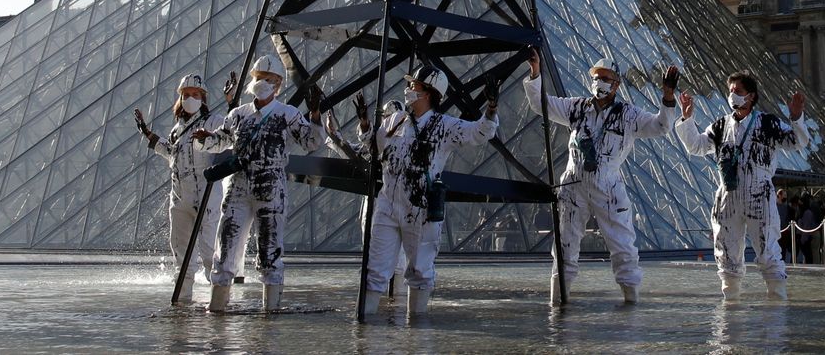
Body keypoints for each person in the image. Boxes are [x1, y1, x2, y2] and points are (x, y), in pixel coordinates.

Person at [524, 49, 678, 304]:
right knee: (564, 247)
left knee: (623, 246)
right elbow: (541, 104)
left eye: (605, 78)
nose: (599, 82)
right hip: (573, 185)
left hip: (608, 187)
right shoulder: (576, 107)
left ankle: (631, 304)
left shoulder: (629, 115)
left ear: (616, 84)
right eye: (596, 77)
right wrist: (536, 72)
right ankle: (558, 304)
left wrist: (668, 97)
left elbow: (662, 127)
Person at [357, 63, 498, 318]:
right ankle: (366, 331)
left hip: (420, 210)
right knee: (374, 269)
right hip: (388, 203)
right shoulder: (394, 120)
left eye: (414, 86)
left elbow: (479, 133)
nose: (409, 90)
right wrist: (365, 124)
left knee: (420, 272)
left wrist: (490, 109)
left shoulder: (445, 125)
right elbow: (373, 146)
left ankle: (417, 334)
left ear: (429, 93)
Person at [195, 38, 325, 314]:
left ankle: (270, 314)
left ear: (278, 84)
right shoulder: (239, 114)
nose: (261, 81)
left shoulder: (288, 114)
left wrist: (315, 115)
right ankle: (217, 310)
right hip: (238, 188)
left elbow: (312, 142)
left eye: (267, 78)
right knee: (226, 247)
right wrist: (206, 138)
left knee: (270, 251)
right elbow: (222, 140)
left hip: (271, 188)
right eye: (258, 77)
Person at [675, 71, 809, 301]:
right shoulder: (720, 125)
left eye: (738, 91)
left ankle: (776, 305)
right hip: (727, 195)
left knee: (767, 250)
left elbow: (797, 142)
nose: (732, 95)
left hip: (759, 193)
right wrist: (687, 119)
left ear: (751, 96)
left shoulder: (767, 123)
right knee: (726, 252)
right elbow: (696, 146)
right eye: (730, 91)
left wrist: (796, 118)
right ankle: (731, 305)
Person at [135, 73, 227, 302]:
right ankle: (183, 307)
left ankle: (220, 303)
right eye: (186, 95)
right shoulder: (177, 130)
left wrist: (231, 101)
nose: (189, 98)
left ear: (203, 98)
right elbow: (171, 154)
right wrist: (148, 134)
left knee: (209, 253)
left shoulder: (213, 121)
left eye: (195, 95)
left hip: (206, 196)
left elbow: (229, 134)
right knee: (182, 257)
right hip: (179, 198)